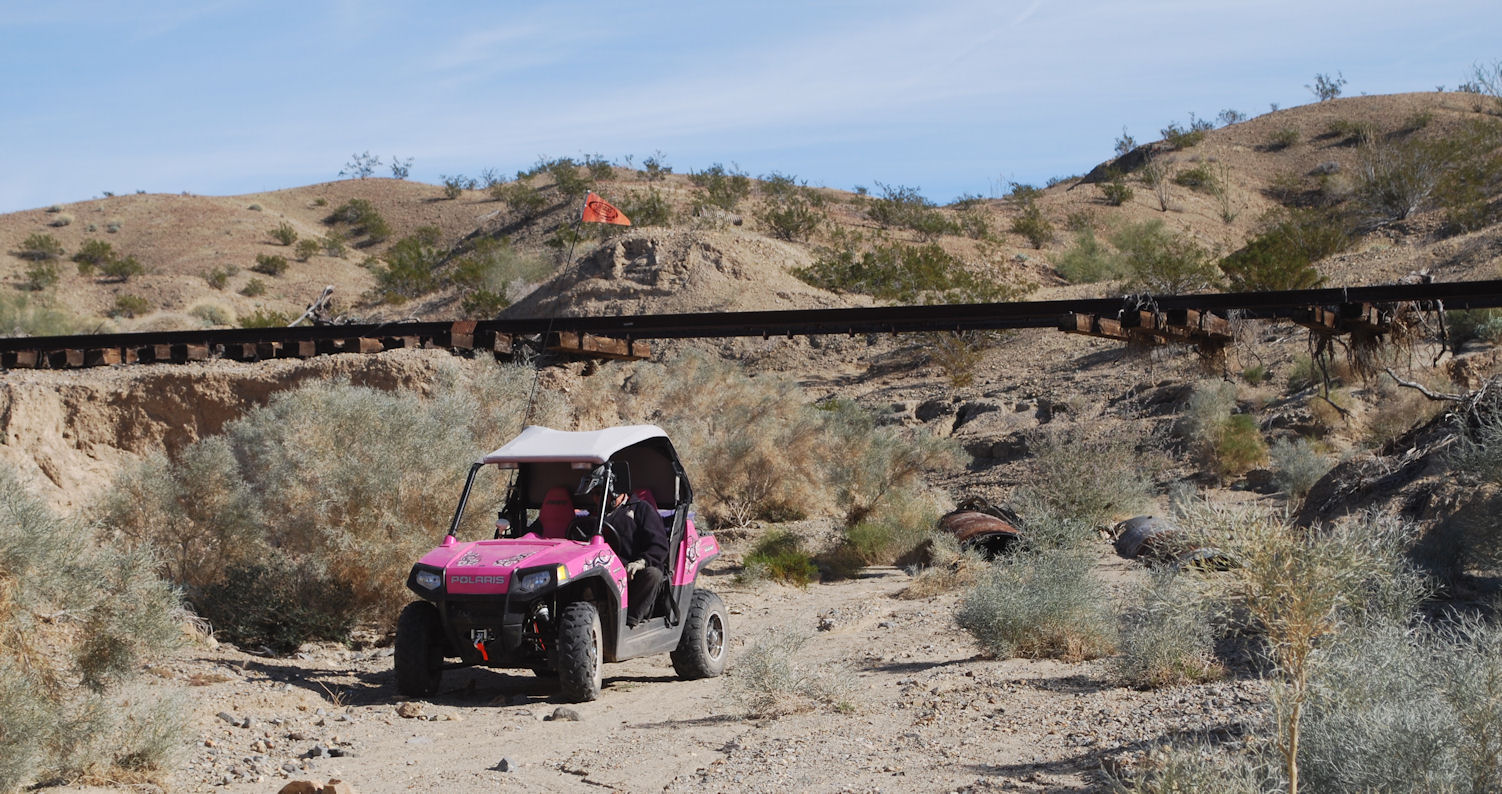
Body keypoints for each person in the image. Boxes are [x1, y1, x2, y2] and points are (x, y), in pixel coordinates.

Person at [575, 464, 669, 628]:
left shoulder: (641, 510)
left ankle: (629, 623)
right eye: (594, 494)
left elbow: (659, 545)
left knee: (653, 574)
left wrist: (642, 562)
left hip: (631, 572)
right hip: (600, 571)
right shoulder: (592, 518)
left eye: (600, 494)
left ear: (616, 491)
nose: (596, 499)